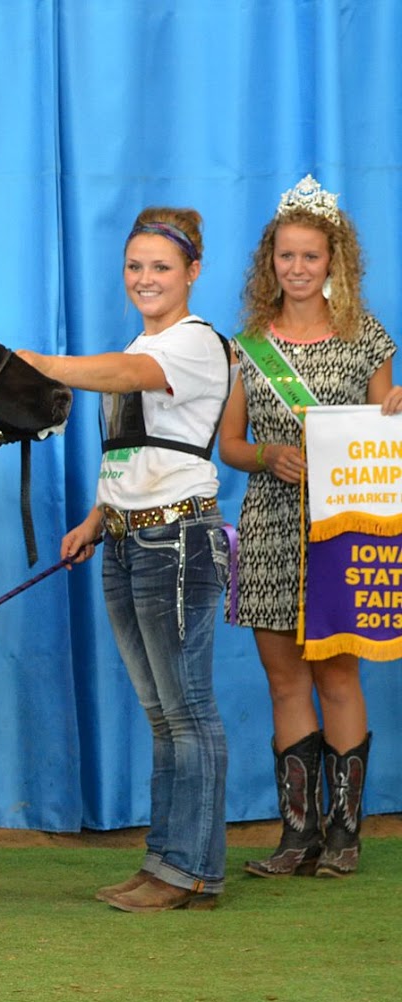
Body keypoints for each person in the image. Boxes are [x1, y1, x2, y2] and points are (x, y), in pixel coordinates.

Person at [18, 207, 232, 912]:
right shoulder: (143, 343)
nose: (145, 279)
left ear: (193, 273)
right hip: (129, 537)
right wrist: (94, 518)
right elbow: (139, 454)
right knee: (162, 713)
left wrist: (43, 365)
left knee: (187, 707)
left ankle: (192, 870)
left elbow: (125, 374)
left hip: (177, 542)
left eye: (161, 267)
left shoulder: (195, 344)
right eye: (135, 267)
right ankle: (164, 861)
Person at [219, 176, 402, 878]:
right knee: (284, 678)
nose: (297, 269)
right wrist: (266, 454)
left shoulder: (367, 340)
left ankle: (346, 834)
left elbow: (385, 424)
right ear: (271, 263)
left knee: (338, 674)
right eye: (286, 257)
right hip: (269, 524)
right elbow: (230, 445)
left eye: (310, 257)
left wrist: (394, 409)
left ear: (334, 263)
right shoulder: (246, 349)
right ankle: (298, 837)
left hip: (343, 529)